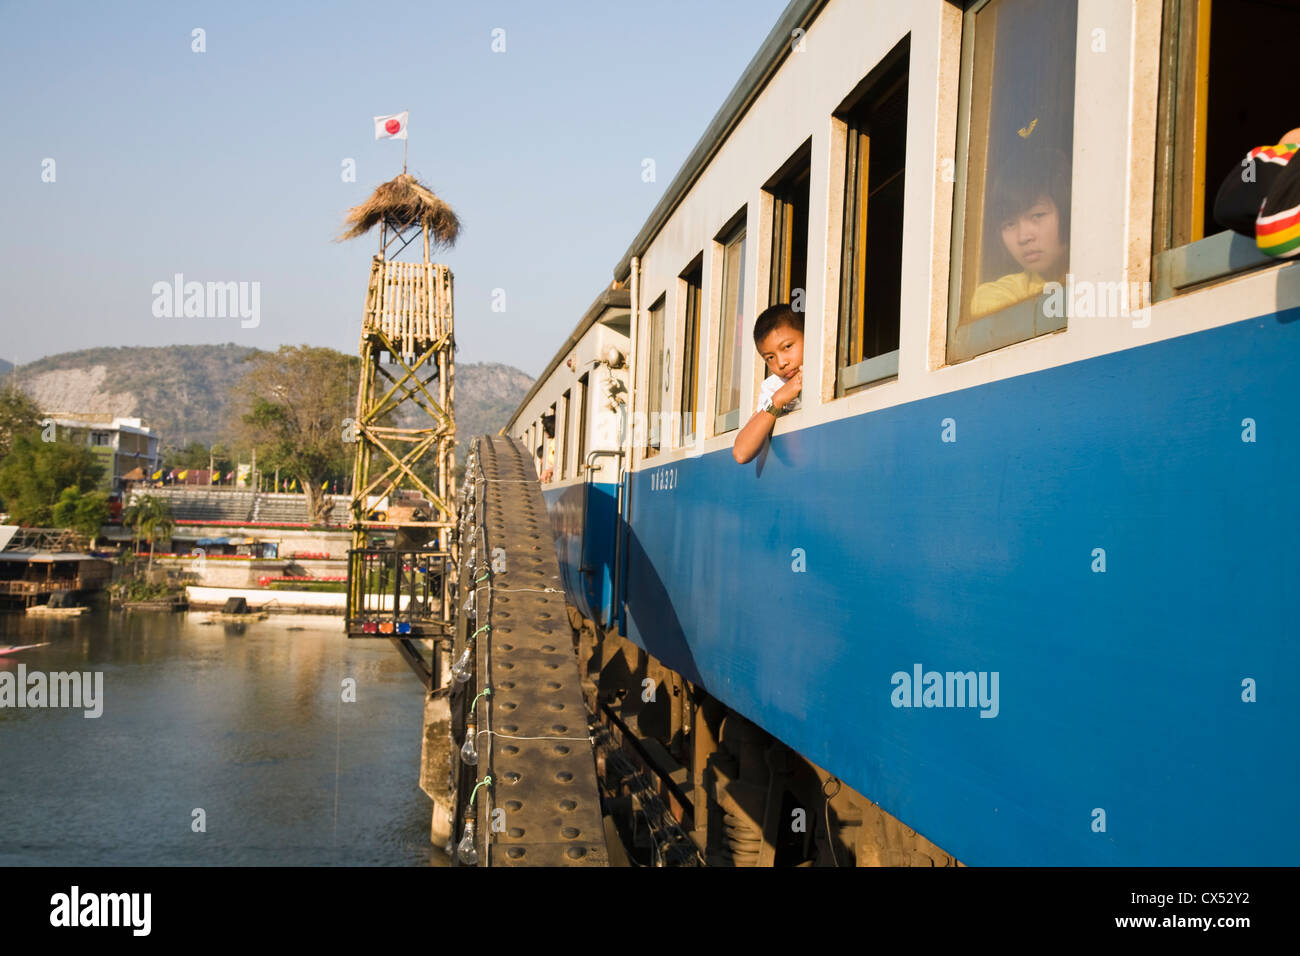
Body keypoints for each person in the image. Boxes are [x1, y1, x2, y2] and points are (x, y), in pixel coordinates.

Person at [969, 153, 1071, 320]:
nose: (1023, 237)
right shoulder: (999, 296)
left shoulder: (1104, 283)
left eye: (1037, 215)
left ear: (1068, 212)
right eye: (1009, 224)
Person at [732, 303, 803, 465]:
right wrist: (777, 400)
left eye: (787, 347)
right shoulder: (773, 387)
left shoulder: (825, 367)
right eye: (770, 357)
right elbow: (741, 453)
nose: (781, 363)